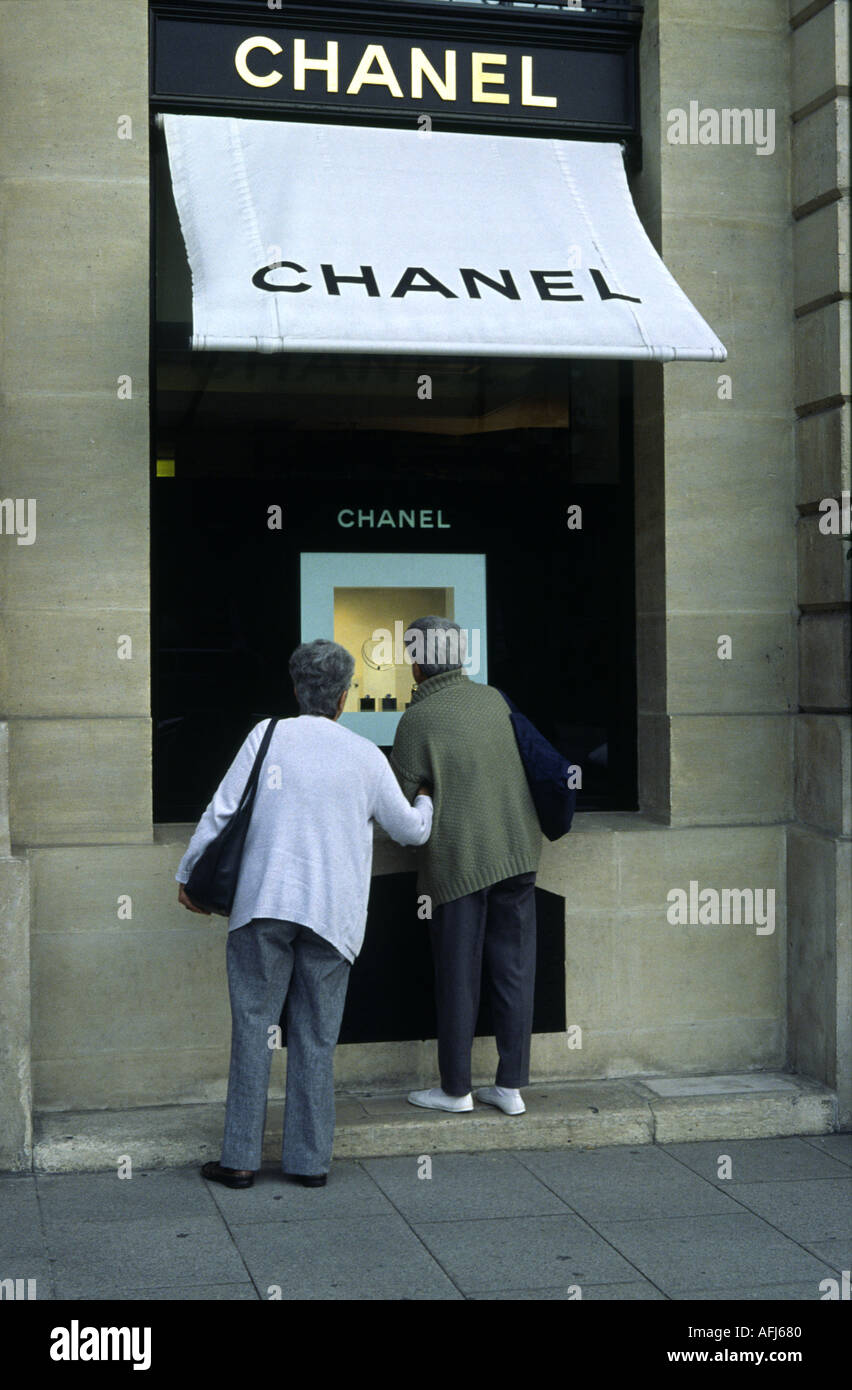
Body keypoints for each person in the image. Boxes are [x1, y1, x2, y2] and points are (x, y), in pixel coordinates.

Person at [176, 638, 433, 1188]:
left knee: (251, 1027)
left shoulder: (266, 736)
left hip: (263, 903)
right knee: (316, 1037)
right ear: (344, 696)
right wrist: (428, 799)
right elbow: (410, 832)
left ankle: (240, 1160)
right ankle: (310, 1163)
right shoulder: (364, 755)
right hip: (332, 913)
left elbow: (220, 810)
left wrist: (187, 873)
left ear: (296, 688)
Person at [390, 616, 542, 1116]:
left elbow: (399, 798)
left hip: (460, 862)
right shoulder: (494, 699)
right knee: (513, 970)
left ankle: (456, 1089)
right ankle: (511, 1087)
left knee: (459, 974)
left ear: (417, 661)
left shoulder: (417, 719)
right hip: (517, 852)